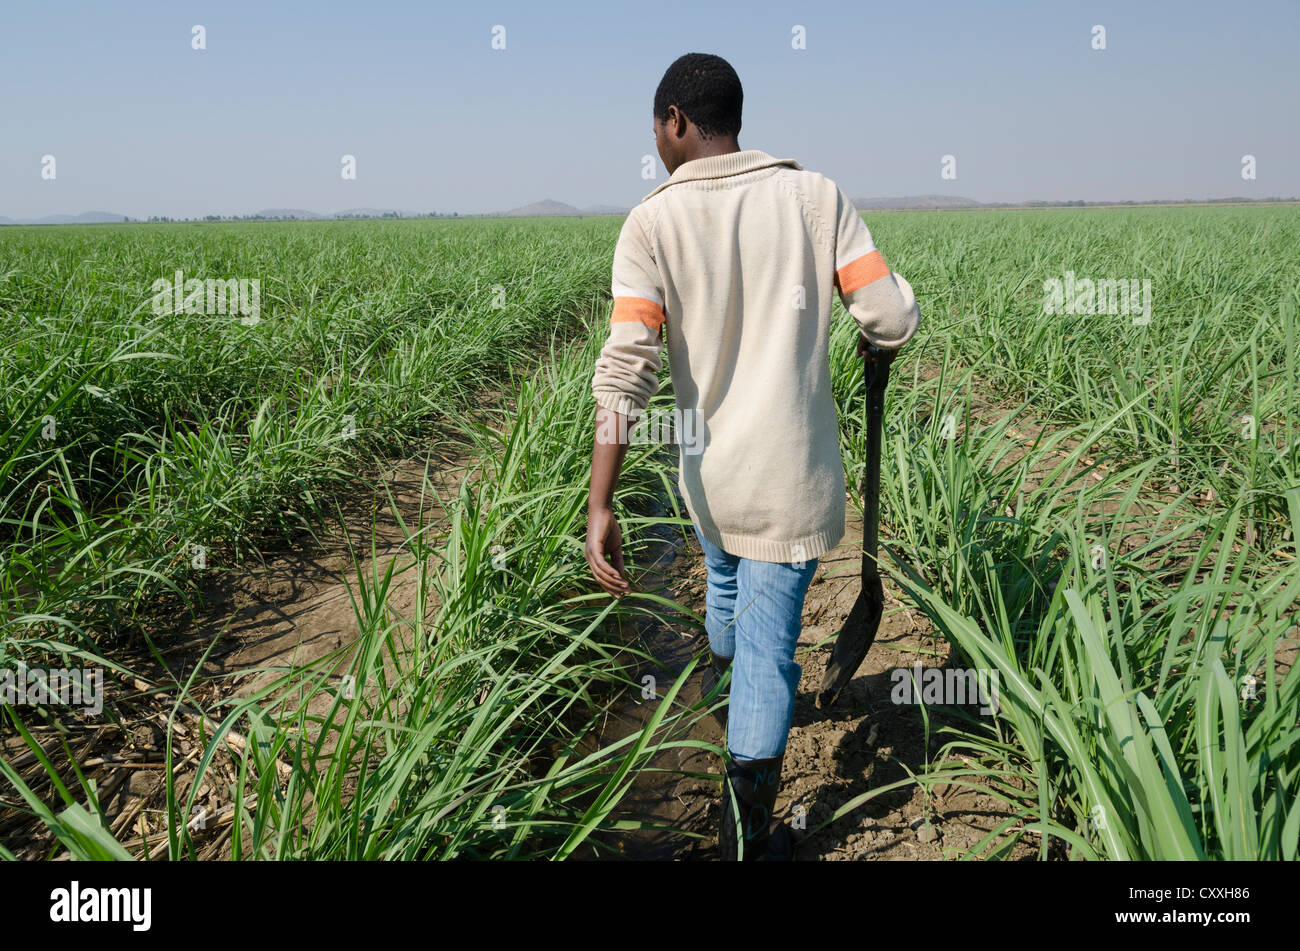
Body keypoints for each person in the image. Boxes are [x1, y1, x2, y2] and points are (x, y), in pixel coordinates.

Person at [584, 52, 921, 861]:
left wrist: (601, 504)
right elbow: (888, 317)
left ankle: (732, 729)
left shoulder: (651, 222)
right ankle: (753, 830)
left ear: (674, 121)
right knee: (772, 649)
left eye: (655, 128)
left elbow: (627, 367)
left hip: (708, 479)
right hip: (790, 485)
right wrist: (882, 328)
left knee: (731, 606)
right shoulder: (815, 198)